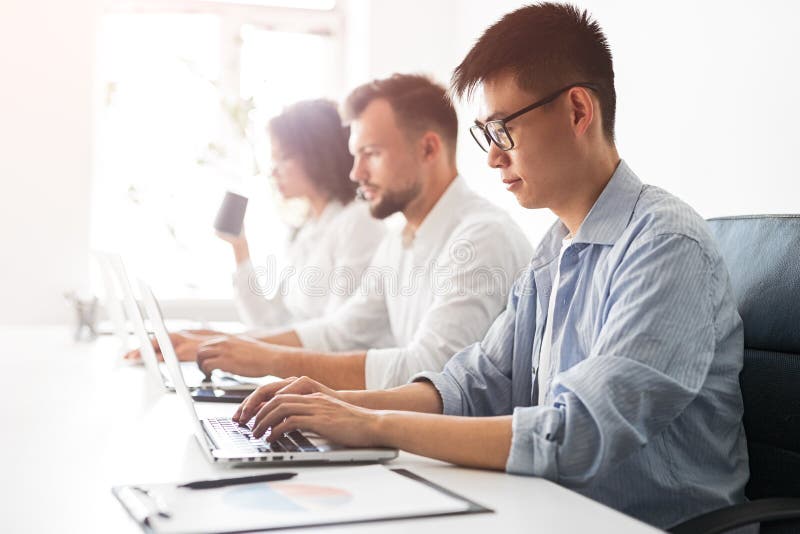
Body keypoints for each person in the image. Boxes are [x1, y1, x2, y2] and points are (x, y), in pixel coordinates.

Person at [229, 4, 750, 531]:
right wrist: (335, 404)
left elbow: (572, 435)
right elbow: (472, 384)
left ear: (576, 111)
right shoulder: (553, 253)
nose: (492, 158)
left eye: (503, 130)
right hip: (553, 513)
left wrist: (374, 423)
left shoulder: (665, 246)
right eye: (486, 134)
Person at [193, 74, 533, 389]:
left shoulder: (482, 237)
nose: (356, 173)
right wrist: (232, 346)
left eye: (371, 154)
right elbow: (341, 331)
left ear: (428, 149)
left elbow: (431, 371)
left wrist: (270, 360)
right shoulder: (399, 243)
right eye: (356, 155)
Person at [126, 99, 385, 362]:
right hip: (297, 372)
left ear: (318, 155)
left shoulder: (357, 222)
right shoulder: (308, 230)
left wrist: (214, 344)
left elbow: (337, 338)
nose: (273, 170)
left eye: (283, 157)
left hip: (326, 378)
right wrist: (240, 250)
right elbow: (271, 324)